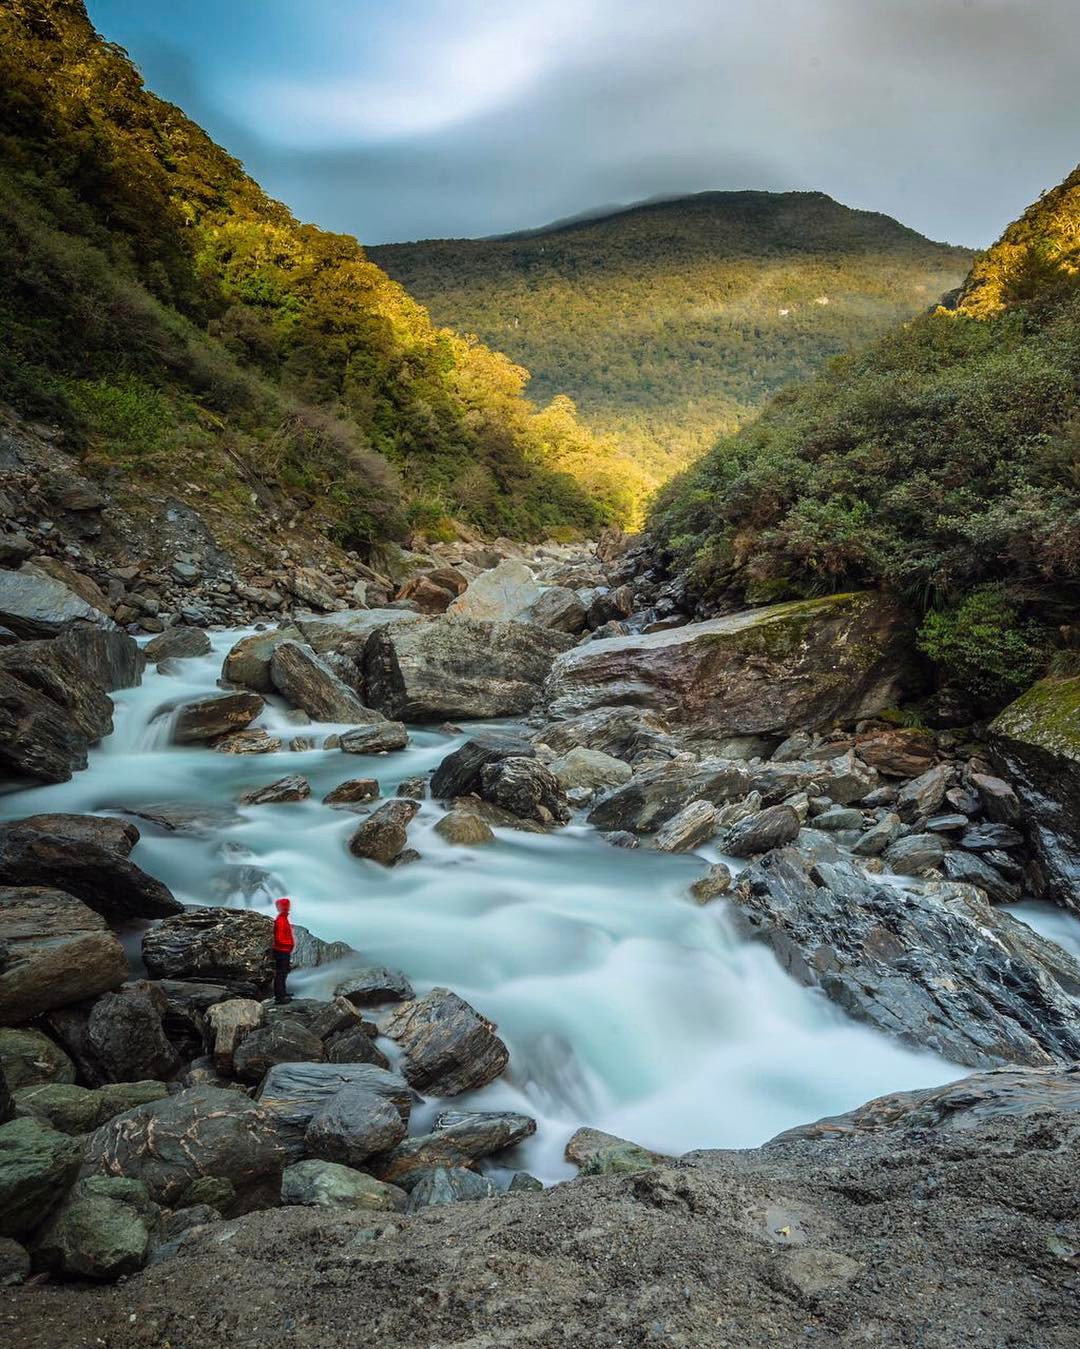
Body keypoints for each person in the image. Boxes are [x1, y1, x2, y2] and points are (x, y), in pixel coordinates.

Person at [272, 896, 295, 1004]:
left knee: (284, 973)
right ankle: (279, 996)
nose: (288, 907)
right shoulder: (281, 920)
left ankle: (283, 993)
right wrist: (290, 944)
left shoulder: (283, 918)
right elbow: (279, 938)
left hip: (284, 950)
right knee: (281, 973)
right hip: (281, 950)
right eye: (286, 906)